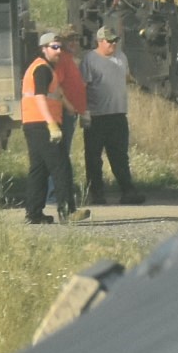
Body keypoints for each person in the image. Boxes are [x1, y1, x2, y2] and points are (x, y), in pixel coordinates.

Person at [21, 33, 78, 225]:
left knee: (39, 170)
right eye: (54, 47)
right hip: (43, 125)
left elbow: (56, 94)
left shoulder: (46, 68)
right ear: (43, 49)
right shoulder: (42, 69)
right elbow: (40, 98)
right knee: (61, 166)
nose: (59, 51)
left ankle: (34, 213)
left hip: (33, 124)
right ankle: (67, 211)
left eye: (60, 47)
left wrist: (70, 107)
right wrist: (51, 124)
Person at [81, 27, 136, 205]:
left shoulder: (121, 57)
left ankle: (128, 191)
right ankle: (97, 193)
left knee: (120, 155)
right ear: (100, 41)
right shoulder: (90, 59)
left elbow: (126, 77)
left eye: (115, 41)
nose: (113, 44)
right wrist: (84, 112)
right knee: (94, 158)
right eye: (109, 41)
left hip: (118, 114)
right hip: (97, 116)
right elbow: (82, 86)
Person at [49, 31, 91, 214]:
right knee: (60, 157)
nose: (74, 43)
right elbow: (57, 86)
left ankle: (58, 194)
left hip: (71, 114)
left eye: (76, 39)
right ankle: (54, 195)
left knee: (63, 155)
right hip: (64, 114)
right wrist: (68, 106)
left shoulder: (70, 59)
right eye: (69, 40)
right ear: (62, 43)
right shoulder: (63, 60)